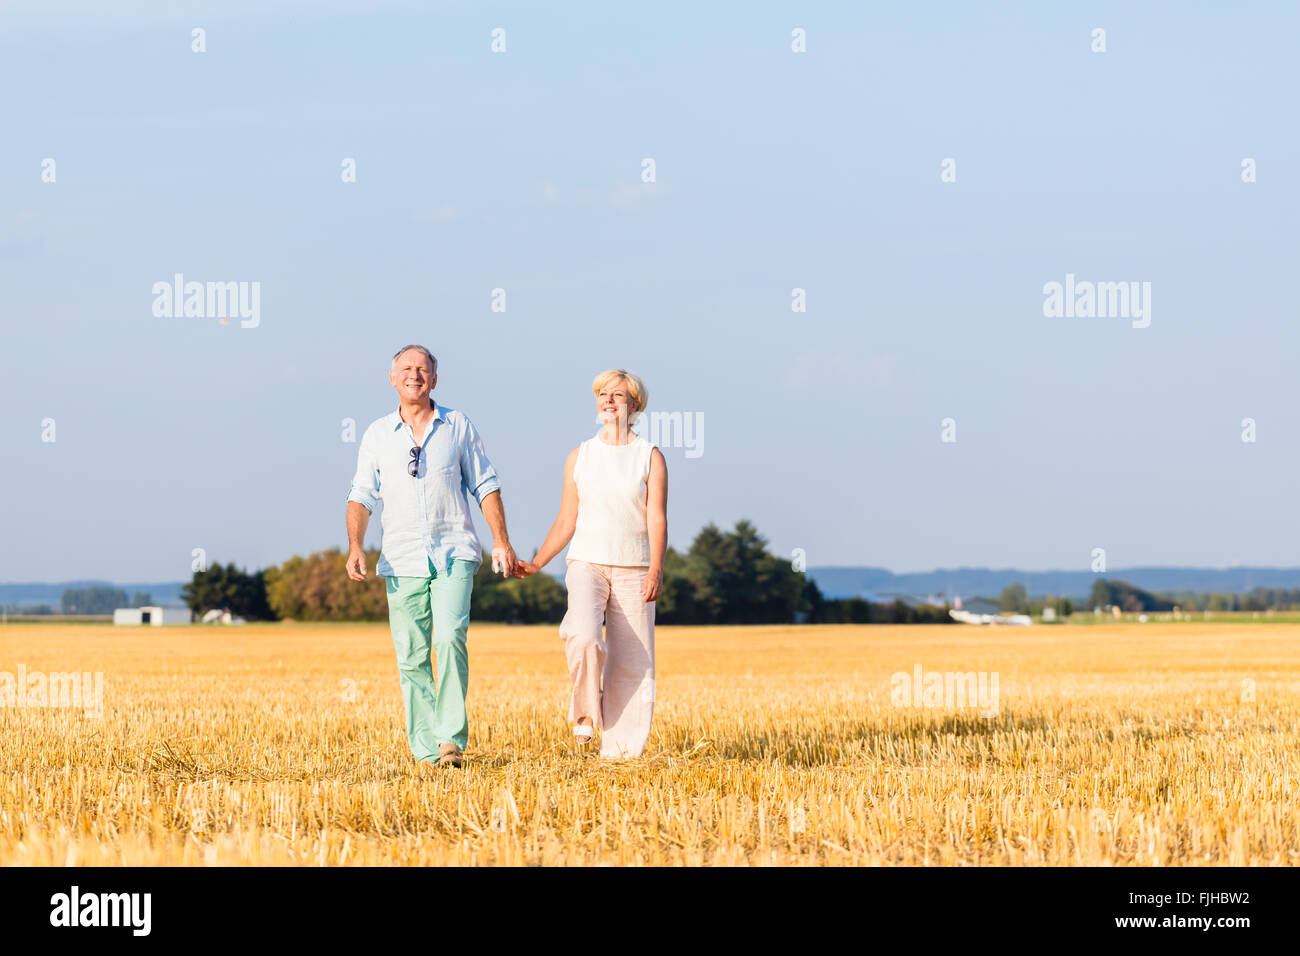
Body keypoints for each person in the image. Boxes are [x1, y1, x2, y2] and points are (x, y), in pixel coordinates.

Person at [345, 344, 518, 769]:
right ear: (392, 378)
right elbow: (361, 495)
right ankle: (426, 752)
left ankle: (450, 742)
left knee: (449, 638)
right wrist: (355, 545)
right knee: (412, 656)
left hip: (454, 552)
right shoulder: (376, 435)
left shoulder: (458, 426)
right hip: (401, 558)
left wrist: (501, 540)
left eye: (423, 370)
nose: (414, 375)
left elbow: (485, 483)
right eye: (406, 368)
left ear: (435, 380)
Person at [514, 369, 667, 758]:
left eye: (617, 395)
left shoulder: (649, 456)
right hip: (586, 563)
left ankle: (621, 754)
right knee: (582, 635)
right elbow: (566, 520)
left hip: (635, 568)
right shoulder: (579, 456)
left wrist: (656, 569)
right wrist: (536, 562)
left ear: (634, 405)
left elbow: (656, 518)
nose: (608, 400)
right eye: (602, 394)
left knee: (633, 663)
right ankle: (584, 713)